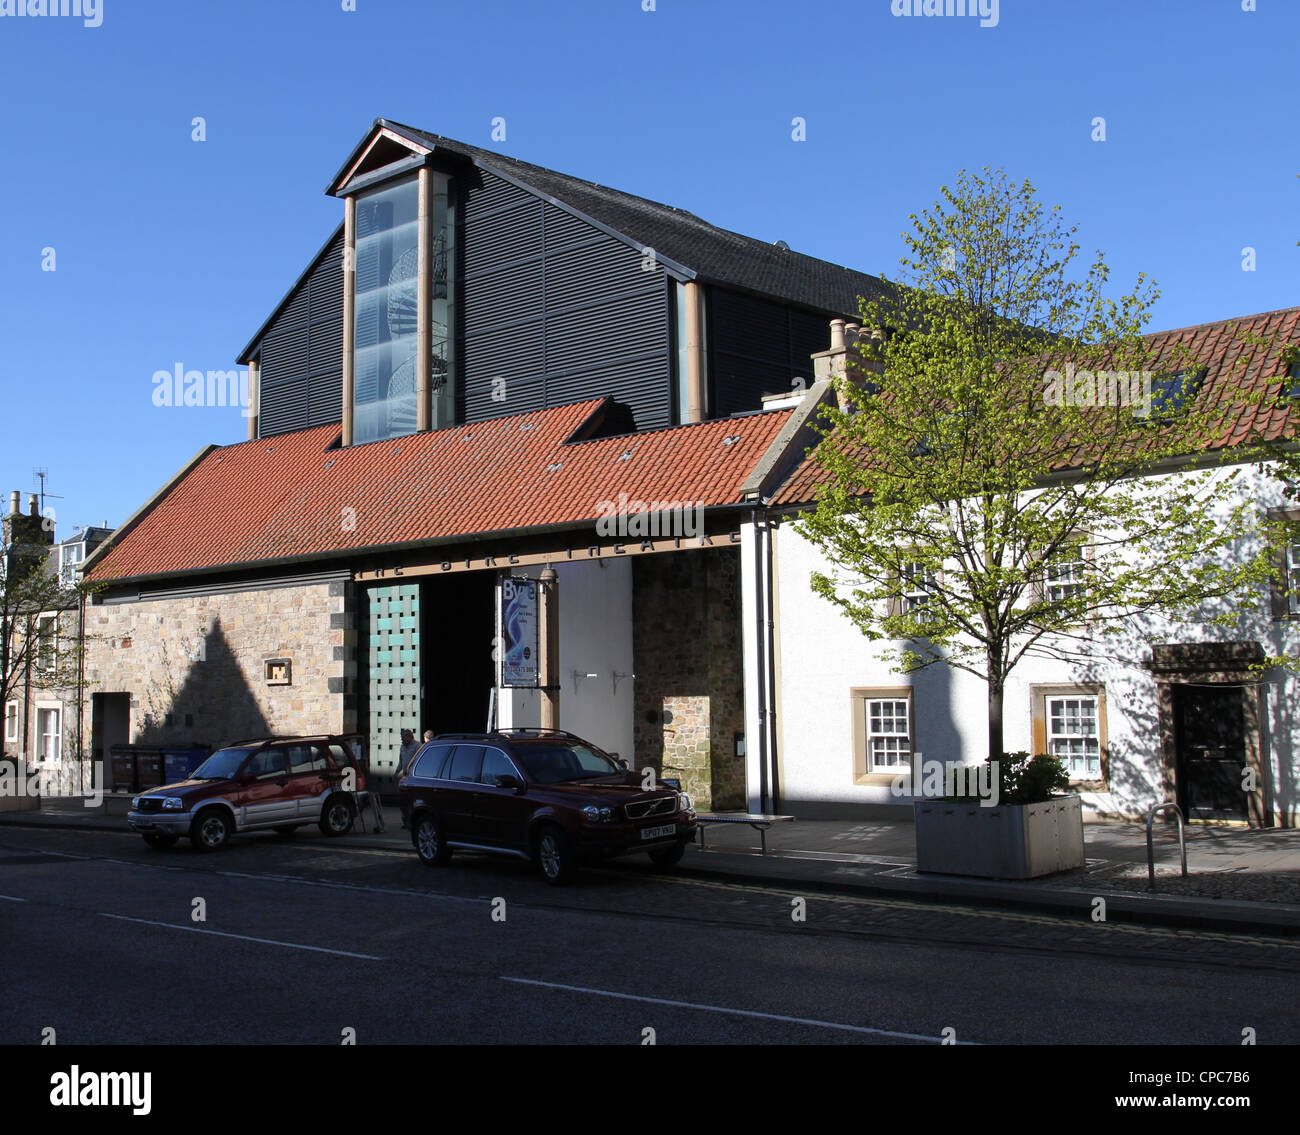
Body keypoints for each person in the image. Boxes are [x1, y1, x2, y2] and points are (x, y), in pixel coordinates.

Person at [397, 728, 420, 829]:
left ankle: (412, 822)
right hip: (405, 778)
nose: (402, 739)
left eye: (403, 737)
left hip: (413, 778)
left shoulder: (417, 746)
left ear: (410, 737)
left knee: (412, 801)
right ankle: (405, 821)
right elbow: (401, 762)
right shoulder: (402, 747)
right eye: (401, 737)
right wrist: (396, 772)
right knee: (403, 801)